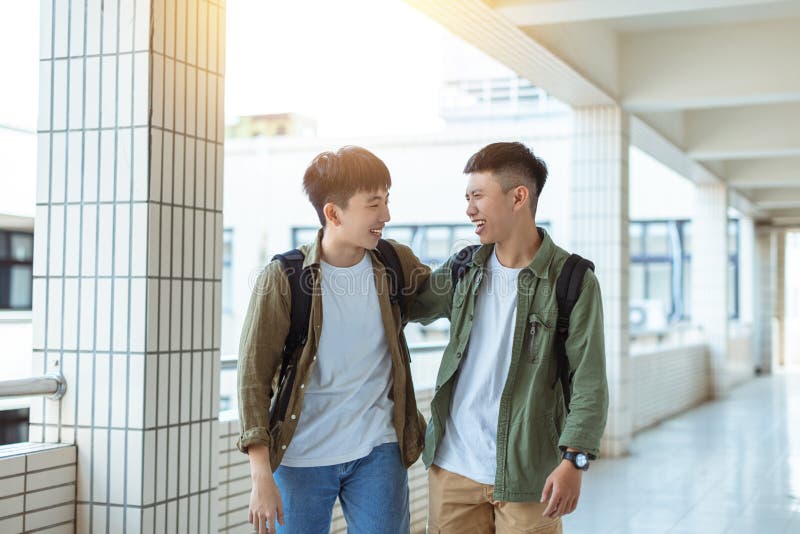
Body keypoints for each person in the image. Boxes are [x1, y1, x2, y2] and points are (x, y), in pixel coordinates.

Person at [407, 142, 609, 533]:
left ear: (519, 197)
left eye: (478, 196)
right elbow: (411, 304)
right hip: (453, 469)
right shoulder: (465, 267)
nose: (469, 210)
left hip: (530, 476)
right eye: (467, 198)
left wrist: (574, 461)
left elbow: (590, 382)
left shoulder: (573, 281)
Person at [236, 146, 430, 534]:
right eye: (374, 204)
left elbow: (441, 299)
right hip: (301, 456)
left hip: (378, 449)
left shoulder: (394, 262)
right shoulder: (284, 278)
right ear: (333, 212)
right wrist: (261, 475)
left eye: (387, 201)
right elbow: (252, 377)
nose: (386, 216)